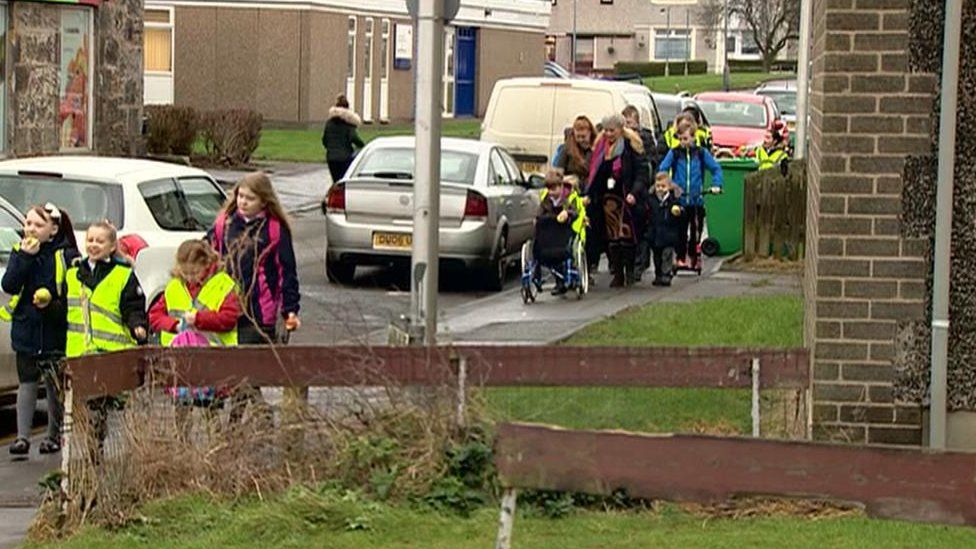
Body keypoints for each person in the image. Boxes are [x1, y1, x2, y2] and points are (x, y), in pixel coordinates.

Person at [1, 204, 78, 456]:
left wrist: (52, 303)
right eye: (28, 223)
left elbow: (73, 294)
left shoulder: (65, 256)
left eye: (38, 225)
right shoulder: (20, 252)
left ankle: (53, 435)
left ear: (53, 229)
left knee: (53, 383)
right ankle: (23, 438)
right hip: (27, 329)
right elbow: (10, 284)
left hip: (54, 329)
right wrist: (24, 257)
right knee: (27, 383)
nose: (30, 229)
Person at [66, 220, 149, 443]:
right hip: (80, 352)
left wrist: (138, 327)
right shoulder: (73, 274)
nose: (94, 245)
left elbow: (133, 306)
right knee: (88, 405)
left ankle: (101, 442)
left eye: (100, 241)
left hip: (112, 352)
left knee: (106, 403)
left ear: (112, 246)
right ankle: (94, 445)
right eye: (90, 240)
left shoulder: (122, 275)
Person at [150, 240, 240, 432]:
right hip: (180, 361)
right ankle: (182, 445)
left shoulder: (222, 285)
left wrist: (200, 319)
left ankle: (215, 448)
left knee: (211, 412)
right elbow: (155, 316)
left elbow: (229, 318)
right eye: (185, 272)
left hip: (212, 360)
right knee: (181, 411)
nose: (190, 278)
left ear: (207, 264)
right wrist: (174, 325)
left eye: (195, 272)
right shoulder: (174, 286)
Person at [209, 172, 300, 344]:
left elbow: (287, 272)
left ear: (264, 202)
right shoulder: (224, 224)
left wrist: (290, 310)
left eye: (250, 198)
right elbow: (207, 254)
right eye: (240, 196)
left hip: (259, 312)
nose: (243, 202)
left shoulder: (274, 230)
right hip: (224, 306)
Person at [584, 114, 649, 288]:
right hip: (607, 200)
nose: (608, 134)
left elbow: (642, 173)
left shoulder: (631, 147)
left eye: (612, 130)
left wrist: (634, 193)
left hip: (627, 199)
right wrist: (589, 194)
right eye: (605, 130)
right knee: (613, 238)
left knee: (627, 237)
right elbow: (595, 175)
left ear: (620, 129)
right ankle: (618, 273)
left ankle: (629, 271)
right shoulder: (600, 149)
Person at [658, 120, 724, 272]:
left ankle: (694, 257)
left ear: (694, 137)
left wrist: (716, 184)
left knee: (696, 230)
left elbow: (716, 169)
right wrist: (668, 185)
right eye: (680, 139)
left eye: (685, 139)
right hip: (679, 199)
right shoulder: (674, 153)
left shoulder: (701, 154)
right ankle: (681, 257)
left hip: (696, 199)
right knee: (679, 231)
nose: (682, 142)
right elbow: (663, 169)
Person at [536, 171, 586, 296]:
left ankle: (569, 277)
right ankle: (559, 282)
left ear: (561, 186)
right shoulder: (546, 200)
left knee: (565, 250)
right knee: (543, 247)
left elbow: (575, 212)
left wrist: (567, 213)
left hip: (567, 231)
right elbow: (539, 214)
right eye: (548, 189)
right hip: (551, 234)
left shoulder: (570, 198)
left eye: (553, 189)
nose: (551, 192)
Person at [646, 173, 683, 287]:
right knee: (657, 257)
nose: (660, 189)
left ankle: (666, 275)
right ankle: (658, 274)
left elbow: (681, 213)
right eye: (658, 186)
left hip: (669, 233)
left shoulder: (673, 200)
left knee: (667, 255)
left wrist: (679, 212)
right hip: (655, 233)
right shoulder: (651, 200)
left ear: (669, 187)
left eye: (663, 186)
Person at [321, 94, 365, 184]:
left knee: (335, 181)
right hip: (345, 158)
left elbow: (324, 140)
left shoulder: (329, 123)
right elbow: (354, 138)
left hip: (331, 158)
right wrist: (363, 146)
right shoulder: (348, 123)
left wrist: (331, 148)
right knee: (344, 181)